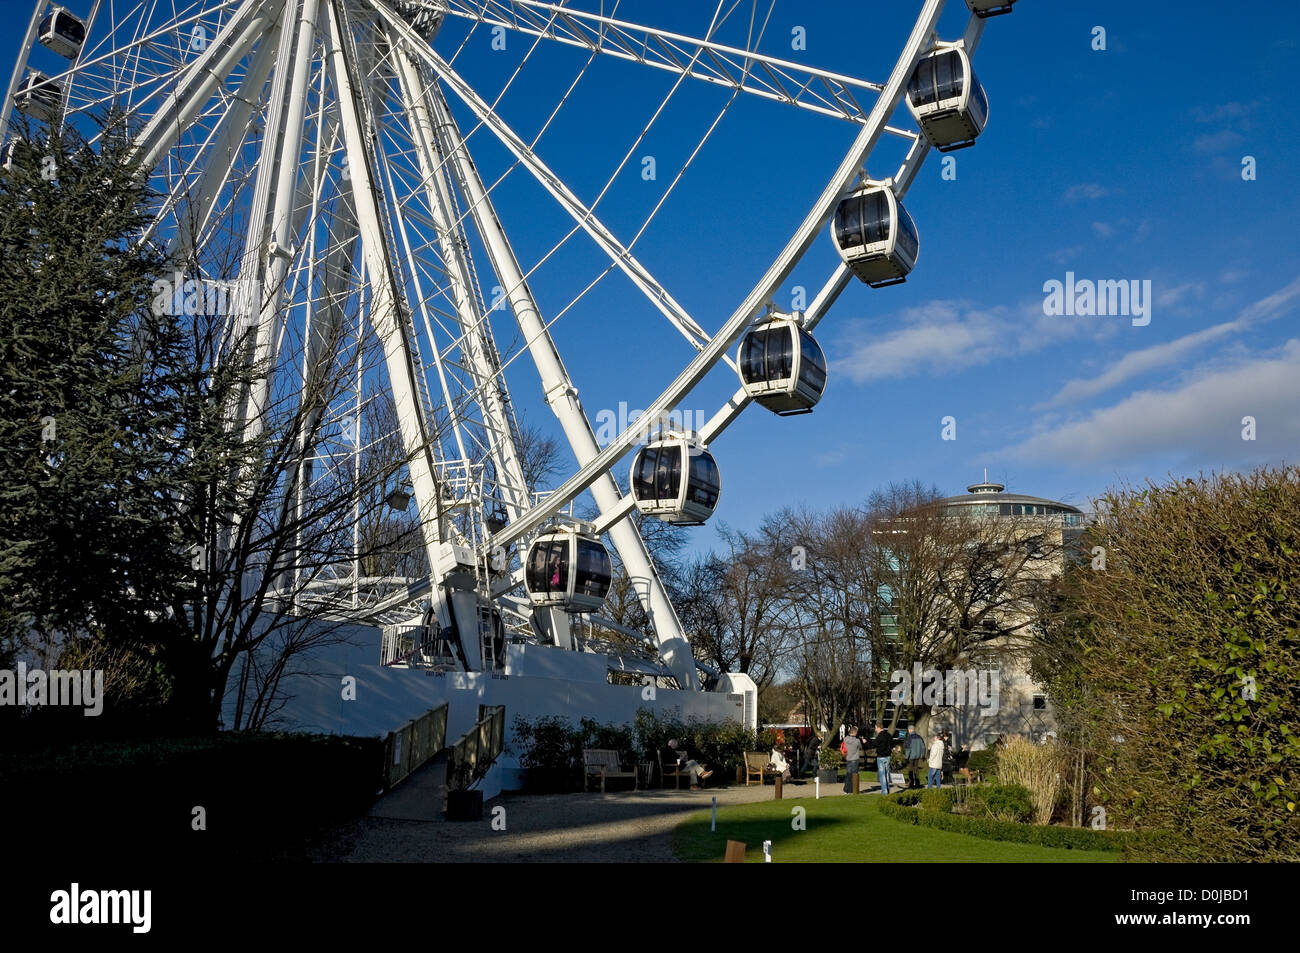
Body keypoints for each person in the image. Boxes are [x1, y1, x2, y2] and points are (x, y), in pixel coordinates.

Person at [903, 724, 927, 790]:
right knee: (916, 769)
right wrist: (922, 755)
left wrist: (906, 756)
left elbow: (908, 748)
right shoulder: (920, 737)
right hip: (918, 756)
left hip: (911, 756)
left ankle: (911, 783)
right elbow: (923, 747)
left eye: (908, 730)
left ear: (910, 730)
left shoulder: (909, 737)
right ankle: (917, 783)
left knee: (910, 769)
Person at [873, 723, 894, 795]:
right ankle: (887, 789)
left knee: (882, 774)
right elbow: (892, 745)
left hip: (881, 757)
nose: (875, 730)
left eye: (875, 728)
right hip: (888, 756)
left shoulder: (880, 736)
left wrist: (866, 742)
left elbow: (874, 744)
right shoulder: (889, 735)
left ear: (879, 728)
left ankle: (884, 791)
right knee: (886, 774)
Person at [842, 726, 862, 793]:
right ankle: (853, 790)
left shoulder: (845, 739)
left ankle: (846, 790)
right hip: (855, 759)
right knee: (854, 776)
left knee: (848, 775)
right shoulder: (857, 741)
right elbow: (860, 747)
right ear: (854, 732)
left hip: (848, 758)